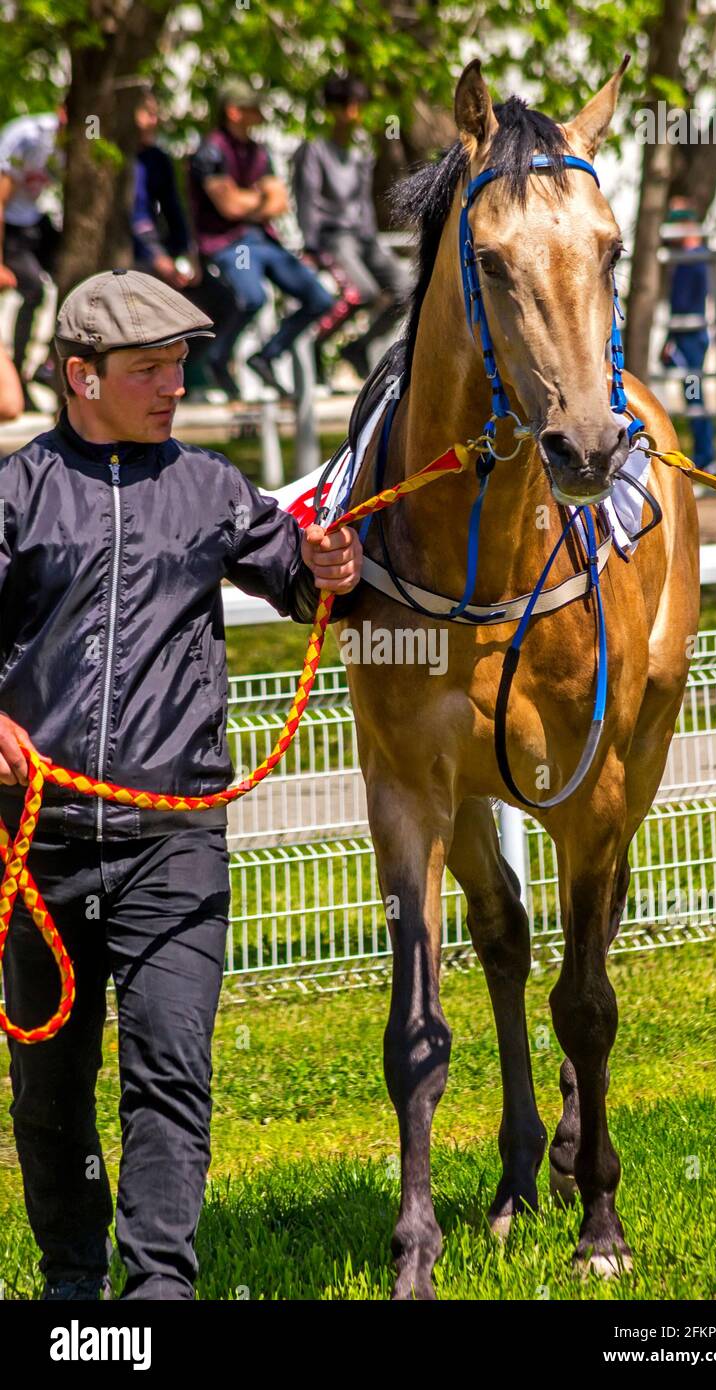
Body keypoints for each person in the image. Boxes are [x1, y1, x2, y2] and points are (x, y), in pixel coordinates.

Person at [0, 268, 362, 1301]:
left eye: (180, 365)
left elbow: (295, 572)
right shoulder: (17, 495)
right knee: (50, 1093)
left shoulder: (208, 487)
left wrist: (326, 563)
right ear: (81, 377)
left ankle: (158, 1293)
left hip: (176, 841)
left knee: (170, 1073)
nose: (173, 385)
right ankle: (72, 1284)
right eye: (148, 368)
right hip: (38, 844)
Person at [188, 80, 334, 399]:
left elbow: (279, 202)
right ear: (233, 111)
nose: (260, 113)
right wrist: (257, 199)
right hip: (229, 243)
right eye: (252, 108)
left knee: (319, 299)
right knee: (252, 298)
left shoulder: (259, 151)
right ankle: (218, 357)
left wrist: (247, 201)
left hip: (263, 239)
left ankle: (266, 356)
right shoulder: (210, 151)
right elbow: (228, 207)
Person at [292, 75, 411, 382]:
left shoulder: (360, 151)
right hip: (332, 238)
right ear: (333, 110)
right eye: (349, 106)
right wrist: (312, 245)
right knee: (364, 292)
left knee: (408, 289)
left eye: (358, 105)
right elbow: (306, 200)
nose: (355, 113)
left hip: (363, 238)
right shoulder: (314, 150)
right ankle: (319, 344)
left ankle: (358, 347)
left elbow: (363, 202)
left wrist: (371, 239)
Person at [131, 89, 236, 392]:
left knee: (221, 301)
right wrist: (157, 259)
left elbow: (175, 211)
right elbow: (133, 217)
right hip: (132, 256)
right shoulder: (122, 160)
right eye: (148, 112)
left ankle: (187, 374)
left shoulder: (158, 158)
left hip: (161, 250)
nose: (155, 119)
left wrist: (188, 255)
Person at [0, 108, 66, 409]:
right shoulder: (28, 136)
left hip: (35, 219)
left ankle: (50, 366)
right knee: (32, 289)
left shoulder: (83, 139)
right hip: (10, 224)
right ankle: (17, 373)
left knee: (79, 278)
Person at [660, 197, 716, 472]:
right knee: (691, 395)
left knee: (694, 396)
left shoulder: (694, 259)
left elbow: (683, 303)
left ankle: (706, 455)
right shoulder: (687, 259)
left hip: (691, 338)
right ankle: (703, 452)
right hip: (684, 337)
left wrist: (672, 338)